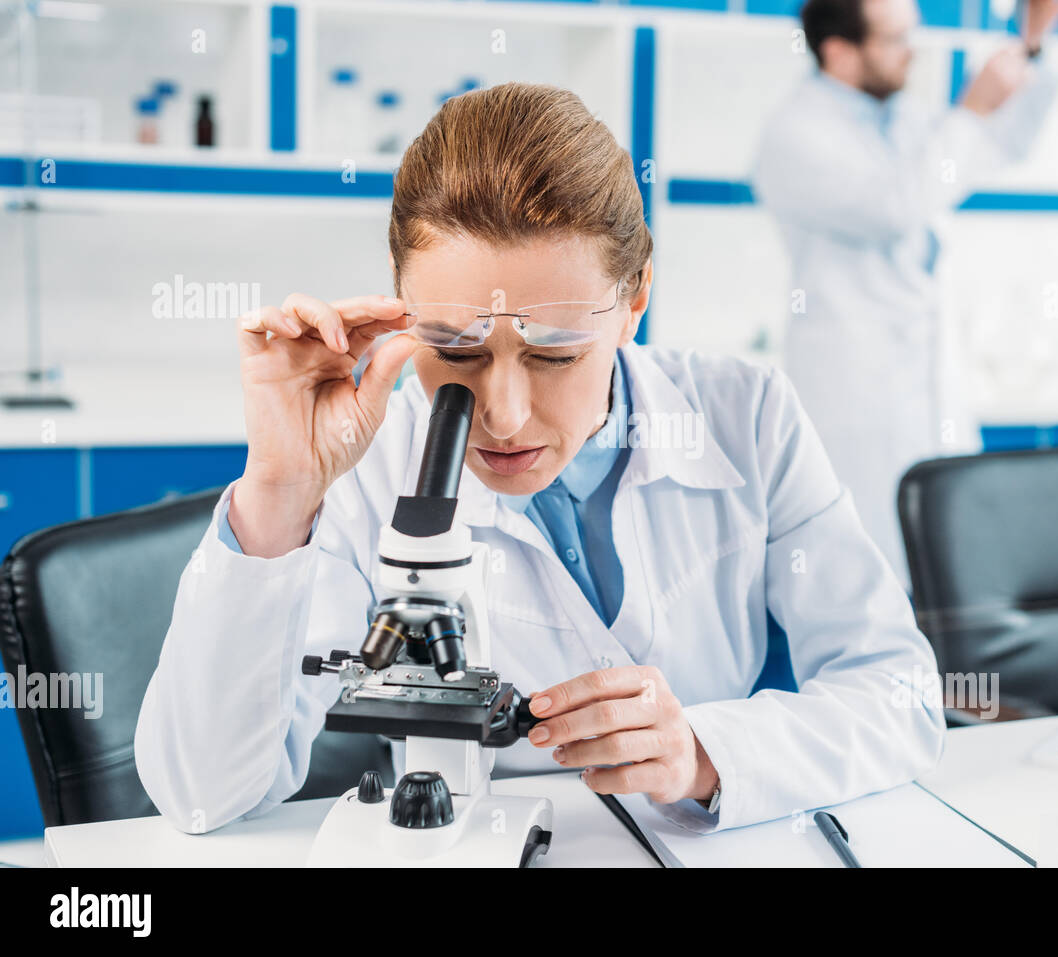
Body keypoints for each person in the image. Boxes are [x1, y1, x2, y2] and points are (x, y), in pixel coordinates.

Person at [134, 83, 943, 836]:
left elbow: (898, 695)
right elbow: (205, 792)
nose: (504, 413)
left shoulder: (746, 415)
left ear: (634, 300)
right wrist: (280, 489)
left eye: (555, 353)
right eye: (454, 347)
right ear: (400, 306)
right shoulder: (371, 458)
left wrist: (703, 750)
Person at [753, 0, 1058, 584]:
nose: (911, 52)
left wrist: (1033, 43)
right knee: (867, 583)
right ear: (839, 51)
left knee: (951, 576)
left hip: (931, 385)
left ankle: (948, 681)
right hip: (856, 392)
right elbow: (894, 206)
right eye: (895, 39)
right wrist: (970, 111)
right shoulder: (795, 135)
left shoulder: (902, 118)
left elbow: (1000, 146)